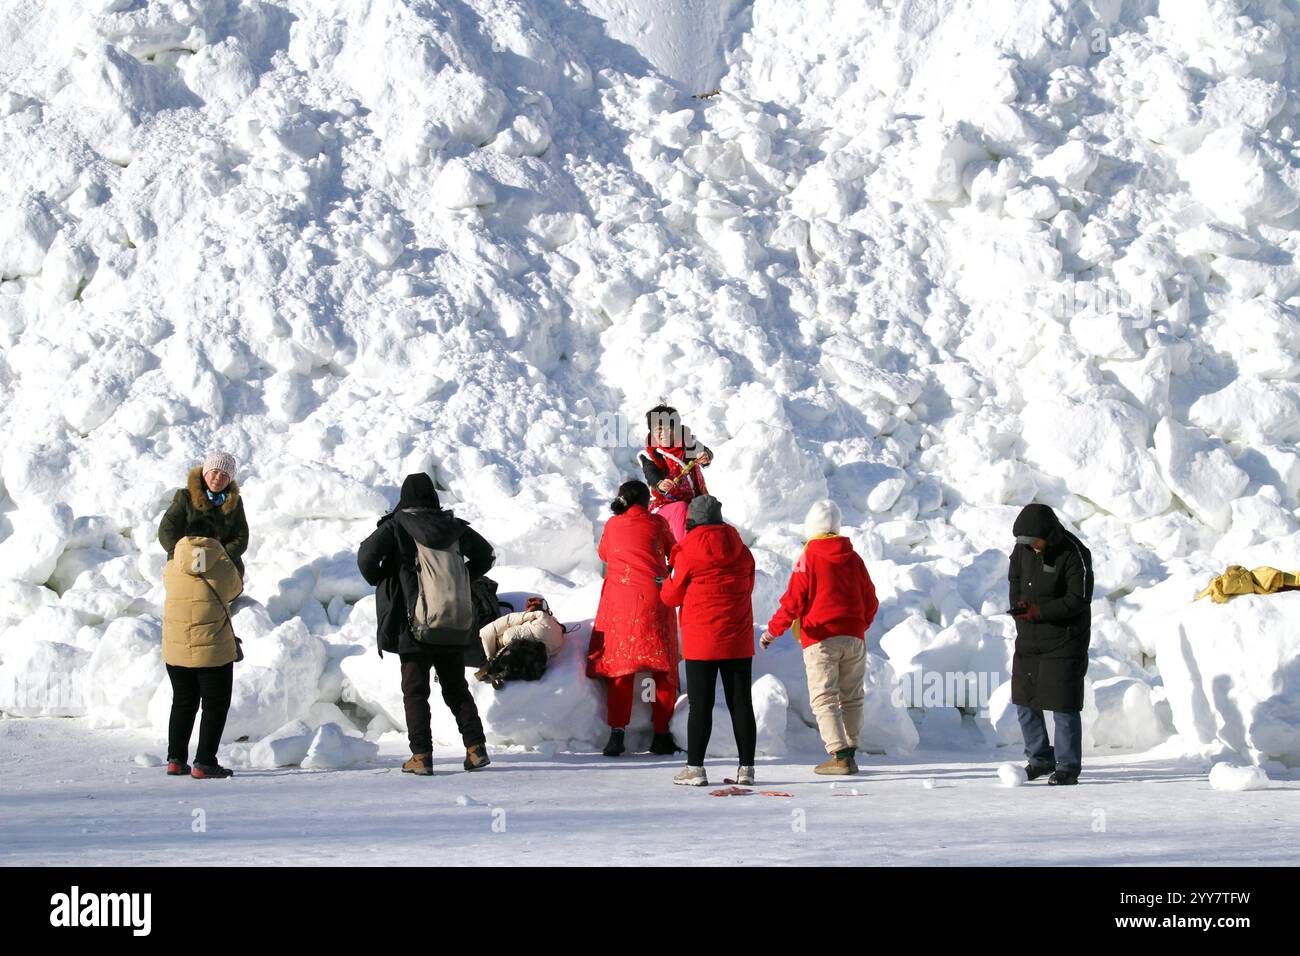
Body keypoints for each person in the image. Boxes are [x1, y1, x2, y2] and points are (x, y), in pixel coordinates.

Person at [356, 474, 496, 776]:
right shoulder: (453, 526)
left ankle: (421, 755)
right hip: (451, 620)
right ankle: (476, 748)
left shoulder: (396, 525)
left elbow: (367, 556)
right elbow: (486, 555)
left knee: (415, 692)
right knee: (456, 687)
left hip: (413, 624)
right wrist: (461, 581)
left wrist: (380, 578)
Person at [761, 499, 878, 775]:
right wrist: (858, 625)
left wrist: (772, 631)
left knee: (824, 697)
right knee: (852, 697)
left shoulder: (808, 557)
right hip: (854, 638)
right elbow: (870, 600)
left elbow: (793, 601)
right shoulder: (854, 558)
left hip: (821, 638)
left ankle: (839, 755)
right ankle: (850, 749)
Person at [658, 495, 757, 787]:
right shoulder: (742, 550)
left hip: (701, 641)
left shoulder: (688, 550)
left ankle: (696, 769)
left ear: (692, 521)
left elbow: (672, 596)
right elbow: (749, 585)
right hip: (737, 639)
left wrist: (664, 583)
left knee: (701, 706)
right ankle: (747, 769)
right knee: (741, 703)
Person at [587, 480, 679, 757]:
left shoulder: (613, 525)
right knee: (661, 669)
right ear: (646, 500)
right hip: (655, 597)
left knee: (621, 670)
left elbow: (604, 554)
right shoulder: (658, 523)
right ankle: (661, 734)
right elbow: (673, 551)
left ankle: (617, 734)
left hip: (621, 602)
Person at [1008, 503, 1094, 786]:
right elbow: (1015, 578)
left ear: (1048, 533)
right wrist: (1020, 608)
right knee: (1024, 698)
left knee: (1063, 703)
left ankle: (1068, 766)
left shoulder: (1074, 553)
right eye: (1025, 543)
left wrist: (1040, 612)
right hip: (1030, 637)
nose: (1030, 547)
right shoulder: (1022, 549)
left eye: (1034, 541)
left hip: (1065, 640)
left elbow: (1078, 599)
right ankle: (1039, 758)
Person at [161, 515, 243, 779]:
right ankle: (205, 762)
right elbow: (234, 589)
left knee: (183, 703)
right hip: (213, 651)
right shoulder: (221, 564)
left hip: (176, 650)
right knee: (215, 705)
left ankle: (175, 760)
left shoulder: (172, 565)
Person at [159, 452, 250, 578]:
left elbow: (241, 536)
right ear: (205, 472)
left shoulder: (235, 502)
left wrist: (219, 556)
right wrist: (183, 555)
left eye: (225, 475)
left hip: (222, 564)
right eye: (215, 471)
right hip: (184, 563)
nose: (218, 478)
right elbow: (167, 530)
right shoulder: (185, 497)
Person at [638, 405, 714, 542]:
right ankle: (684, 550)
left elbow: (705, 452)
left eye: (668, 429)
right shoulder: (651, 454)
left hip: (695, 499)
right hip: (667, 506)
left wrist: (705, 456)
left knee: (710, 509)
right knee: (681, 508)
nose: (664, 434)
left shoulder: (688, 443)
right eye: (658, 430)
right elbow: (651, 473)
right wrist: (660, 484)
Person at [474, 597, 565, 687]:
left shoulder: (536, 616)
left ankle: (494, 665)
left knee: (505, 635)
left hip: (483, 648)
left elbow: (503, 634)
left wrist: (491, 658)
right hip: (532, 659)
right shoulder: (557, 634)